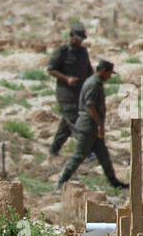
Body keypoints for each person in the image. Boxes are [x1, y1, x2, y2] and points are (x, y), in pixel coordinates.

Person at [55, 59, 128, 191]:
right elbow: (90, 106)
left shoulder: (94, 82)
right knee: (79, 154)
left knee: (104, 156)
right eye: (109, 73)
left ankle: (114, 182)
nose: (109, 76)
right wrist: (100, 125)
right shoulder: (93, 83)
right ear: (103, 71)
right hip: (88, 126)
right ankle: (61, 181)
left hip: (91, 126)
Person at [47, 25, 93, 157]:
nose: (79, 41)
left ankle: (53, 150)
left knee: (66, 125)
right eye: (77, 38)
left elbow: (88, 70)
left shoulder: (83, 52)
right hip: (65, 94)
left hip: (80, 93)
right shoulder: (62, 51)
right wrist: (66, 79)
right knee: (76, 122)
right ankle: (87, 151)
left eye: (81, 39)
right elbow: (51, 69)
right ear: (71, 36)